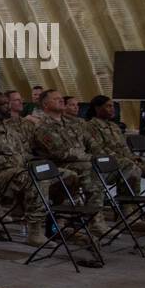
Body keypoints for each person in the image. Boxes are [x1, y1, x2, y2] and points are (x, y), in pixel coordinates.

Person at [0, 91, 51, 246]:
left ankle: (53, 221)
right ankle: (35, 232)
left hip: (14, 171)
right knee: (32, 178)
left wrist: (39, 162)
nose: (9, 107)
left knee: (54, 173)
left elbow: (22, 153)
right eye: (5, 104)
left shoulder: (9, 129)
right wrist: (18, 162)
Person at [87, 94, 145, 223]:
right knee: (131, 168)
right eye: (108, 106)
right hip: (108, 166)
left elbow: (124, 147)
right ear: (97, 108)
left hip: (127, 161)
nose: (112, 109)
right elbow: (100, 150)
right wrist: (127, 160)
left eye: (112, 106)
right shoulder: (91, 126)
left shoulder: (114, 126)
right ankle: (129, 211)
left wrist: (132, 157)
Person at [31, 89, 106, 234]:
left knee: (95, 166)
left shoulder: (70, 124)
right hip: (55, 165)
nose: (61, 100)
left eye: (61, 98)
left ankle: (81, 219)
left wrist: (97, 156)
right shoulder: (43, 126)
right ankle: (94, 220)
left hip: (77, 163)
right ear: (45, 104)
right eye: (56, 99)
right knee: (90, 168)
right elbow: (61, 153)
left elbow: (87, 144)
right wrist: (89, 157)